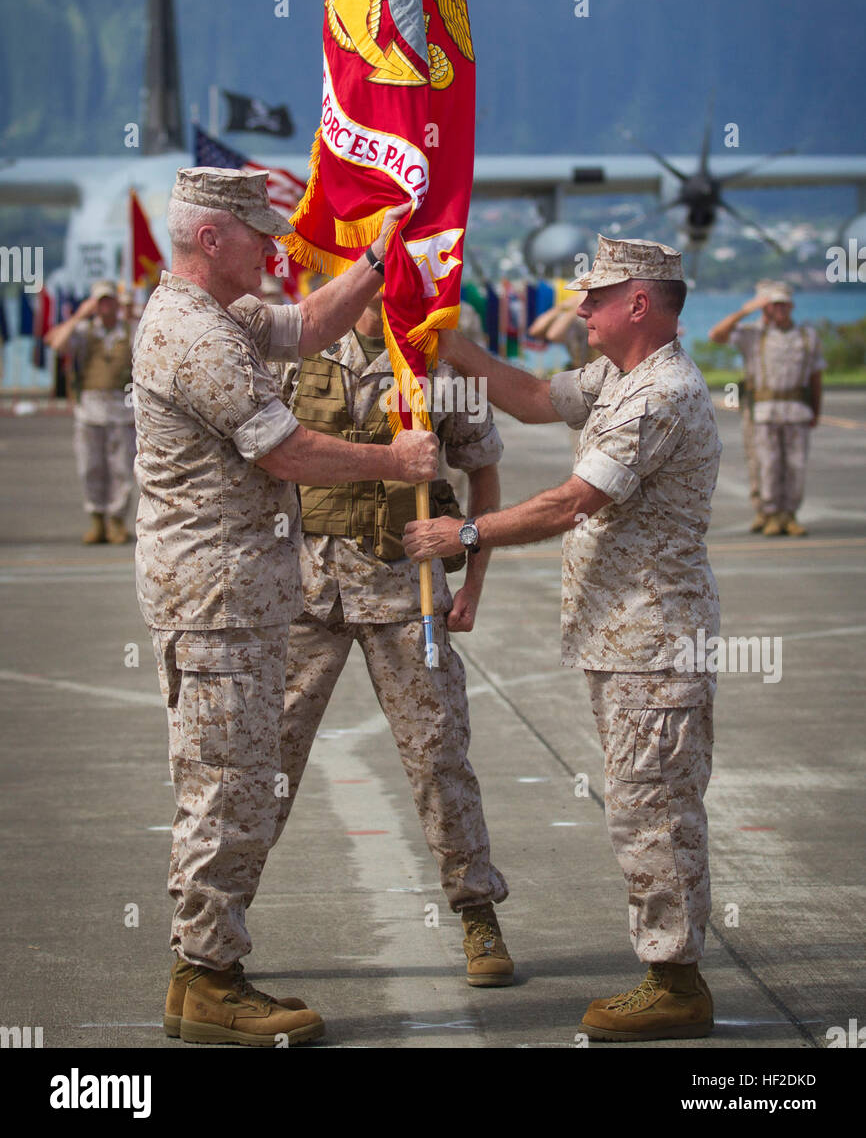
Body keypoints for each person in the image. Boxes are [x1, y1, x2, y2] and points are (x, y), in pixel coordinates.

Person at [133, 167, 438, 1048]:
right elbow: (286, 451)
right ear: (210, 240)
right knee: (222, 788)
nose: (276, 246)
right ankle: (207, 978)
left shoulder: (222, 317)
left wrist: (380, 258)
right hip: (217, 600)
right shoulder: (193, 336)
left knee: (235, 785)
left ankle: (209, 972)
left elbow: (309, 326)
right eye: (260, 233)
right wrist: (397, 462)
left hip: (240, 599)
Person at [404, 235, 722, 1041]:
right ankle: (668, 969)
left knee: (655, 809)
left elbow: (572, 502)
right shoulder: (618, 375)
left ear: (639, 304)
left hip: (654, 641)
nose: (581, 308)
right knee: (643, 804)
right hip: (622, 638)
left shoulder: (662, 393)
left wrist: (466, 535)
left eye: (596, 296)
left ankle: (676, 982)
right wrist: (442, 334)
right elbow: (529, 397)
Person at [272, 285, 512, 985]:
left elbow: (483, 470)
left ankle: (477, 916)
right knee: (266, 761)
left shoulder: (439, 366)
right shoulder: (301, 350)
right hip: (305, 589)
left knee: (438, 755)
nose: (380, 285)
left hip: (409, 590)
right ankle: (216, 928)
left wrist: (474, 582)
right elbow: (262, 456)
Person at [709, 282, 824, 536]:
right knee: (768, 464)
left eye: (784, 304)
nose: (780, 309)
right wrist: (746, 310)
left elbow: (816, 377)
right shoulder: (754, 334)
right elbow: (716, 335)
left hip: (796, 410)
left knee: (795, 466)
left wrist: (816, 409)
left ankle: (789, 515)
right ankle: (770, 514)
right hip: (764, 411)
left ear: (791, 306)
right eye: (774, 304)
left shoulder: (807, 336)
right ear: (767, 307)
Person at [45, 279, 136, 544]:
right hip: (90, 410)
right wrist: (78, 316)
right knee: (90, 467)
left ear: (117, 303)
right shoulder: (84, 332)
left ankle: (117, 520)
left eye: (109, 300)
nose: (105, 306)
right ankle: (97, 519)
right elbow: (56, 345)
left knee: (121, 469)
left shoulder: (129, 331)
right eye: (100, 301)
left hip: (122, 409)